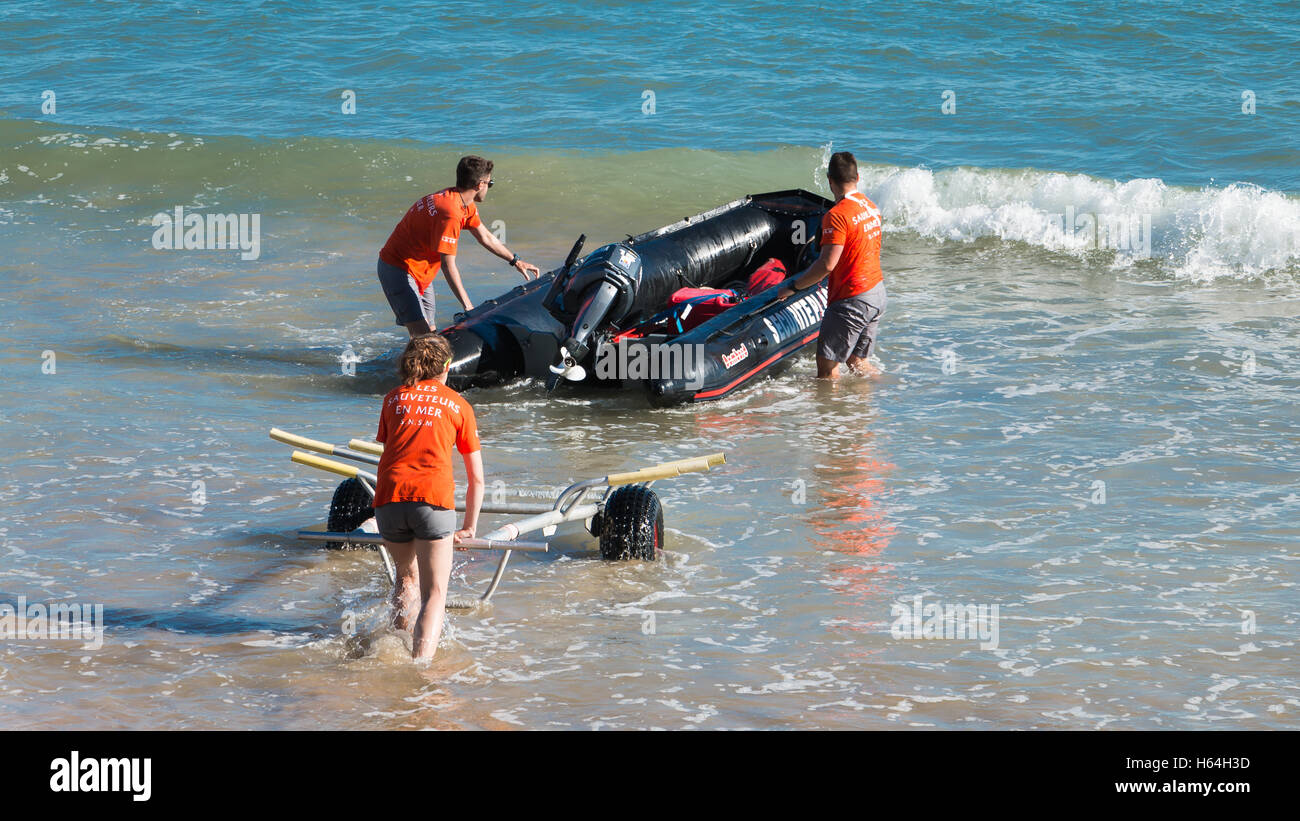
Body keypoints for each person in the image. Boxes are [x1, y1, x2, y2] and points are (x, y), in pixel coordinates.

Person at [372, 333, 485, 660]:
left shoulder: (392, 398)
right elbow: (476, 477)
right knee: (434, 593)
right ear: (447, 366)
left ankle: (396, 645)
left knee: (405, 580)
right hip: (432, 501)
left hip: (388, 499)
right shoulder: (460, 405)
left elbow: (391, 452)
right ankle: (420, 667)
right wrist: (469, 526)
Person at [378, 156, 541, 337]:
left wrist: (515, 261)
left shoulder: (462, 203)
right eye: (490, 183)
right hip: (398, 269)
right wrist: (468, 306)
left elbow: (485, 236)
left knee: (430, 334)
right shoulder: (451, 213)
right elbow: (448, 265)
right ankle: (406, 365)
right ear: (480, 184)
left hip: (421, 271)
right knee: (423, 338)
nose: (489, 187)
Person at [777, 151, 886, 379]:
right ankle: (871, 407)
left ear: (830, 180)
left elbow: (827, 264)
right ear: (858, 177)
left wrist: (794, 287)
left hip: (852, 299)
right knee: (857, 361)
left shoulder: (837, 215)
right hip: (876, 293)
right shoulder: (870, 206)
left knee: (827, 369)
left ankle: (831, 414)